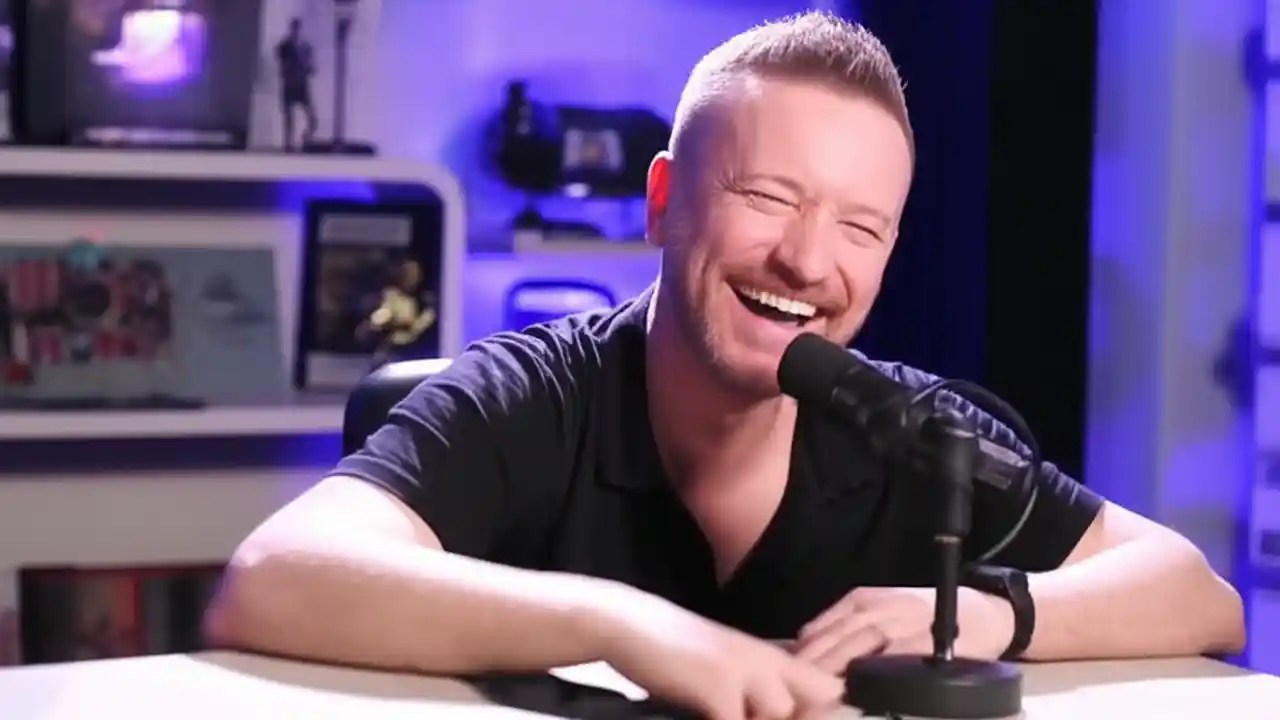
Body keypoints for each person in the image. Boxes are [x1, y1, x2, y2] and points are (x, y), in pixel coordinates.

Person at [204, 11, 1246, 720]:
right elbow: (272, 582)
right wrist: (612, 622)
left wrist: (981, 613)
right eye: (766, 198)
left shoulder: (907, 429)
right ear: (663, 202)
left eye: (859, 227)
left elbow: (1194, 594)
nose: (807, 260)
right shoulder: (535, 393)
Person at [276, 18, 318, 151]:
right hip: (289, 83)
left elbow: (311, 65)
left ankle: (307, 137)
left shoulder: (306, 47)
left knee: (311, 116)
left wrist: (309, 68)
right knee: (289, 116)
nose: (296, 31)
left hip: (302, 84)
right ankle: (288, 143)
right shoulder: (284, 46)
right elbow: (282, 62)